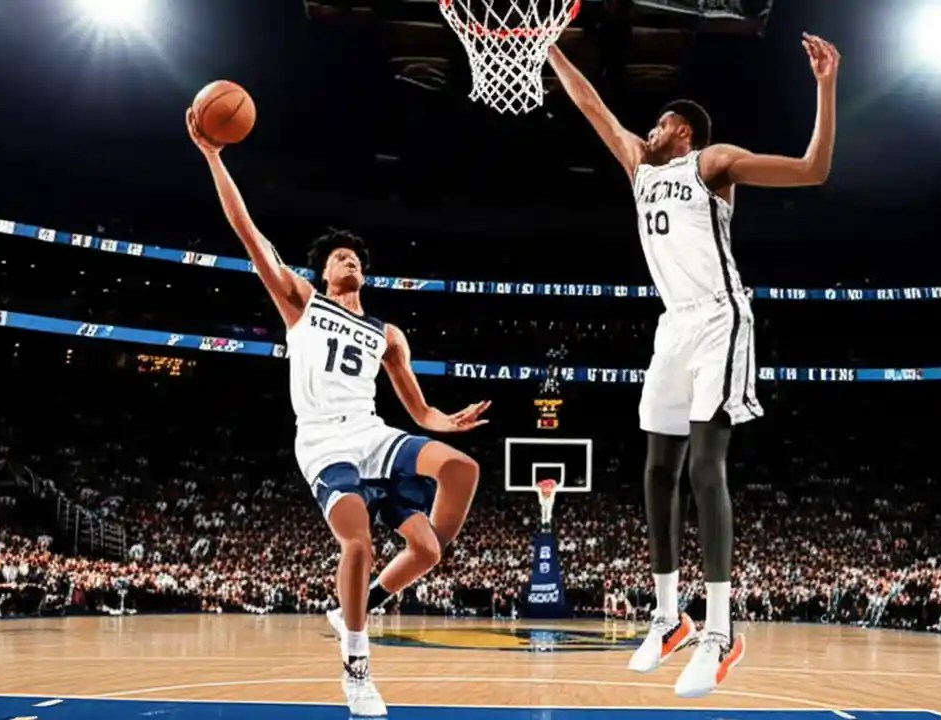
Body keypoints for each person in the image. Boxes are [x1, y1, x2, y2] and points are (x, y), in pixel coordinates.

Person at [547, 33, 840, 698]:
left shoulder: (713, 163)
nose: (647, 129)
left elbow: (812, 169)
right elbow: (591, 105)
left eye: (660, 123)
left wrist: (824, 85)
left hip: (719, 318)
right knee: (658, 468)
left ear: (682, 131)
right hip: (673, 325)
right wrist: (551, 50)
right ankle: (667, 614)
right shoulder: (638, 167)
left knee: (707, 466)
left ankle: (720, 631)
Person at [187, 113, 489, 717]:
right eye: (339, 257)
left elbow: (417, 404)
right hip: (323, 441)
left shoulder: (388, 333)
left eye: (354, 257)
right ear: (323, 270)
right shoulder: (299, 302)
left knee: (458, 477)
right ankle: (356, 667)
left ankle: (381, 587)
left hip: (373, 432)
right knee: (357, 544)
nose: (348, 261)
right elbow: (248, 232)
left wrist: (443, 422)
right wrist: (214, 157)